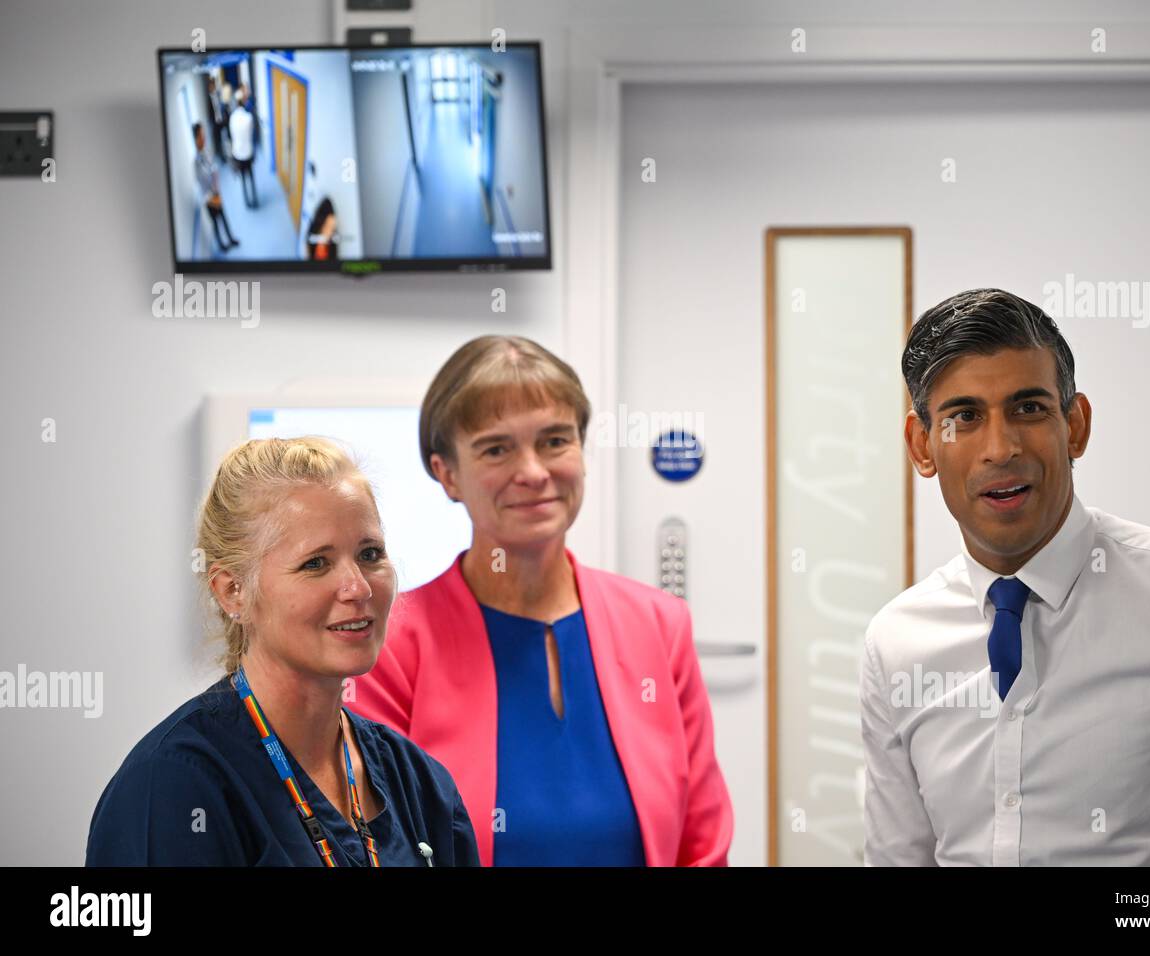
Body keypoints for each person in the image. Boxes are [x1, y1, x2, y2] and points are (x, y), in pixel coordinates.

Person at [858, 288, 1150, 866]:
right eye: (965, 416)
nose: (1001, 447)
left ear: (1075, 426)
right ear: (922, 445)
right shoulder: (897, 641)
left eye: (1029, 408)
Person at [350, 335, 734, 866]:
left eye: (555, 440)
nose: (533, 471)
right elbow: (379, 847)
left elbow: (702, 840)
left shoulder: (658, 625)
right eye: (496, 448)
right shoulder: (391, 642)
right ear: (447, 473)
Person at [86, 437, 479, 867]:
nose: (359, 587)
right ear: (233, 591)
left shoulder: (420, 784)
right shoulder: (174, 783)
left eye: (370, 554)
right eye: (316, 563)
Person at [192, 123, 239, 253]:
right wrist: (212, 198)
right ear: (196, 139)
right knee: (216, 223)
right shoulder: (196, 161)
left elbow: (213, 169)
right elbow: (201, 182)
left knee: (224, 217)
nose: (204, 137)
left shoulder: (206, 152)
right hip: (209, 198)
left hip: (216, 192)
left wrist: (217, 191)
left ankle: (231, 239)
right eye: (201, 135)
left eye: (203, 134)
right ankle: (222, 245)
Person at [228, 90, 257, 208]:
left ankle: (247, 202)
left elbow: (232, 135)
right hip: (248, 153)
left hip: (238, 155)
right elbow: (251, 134)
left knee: (243, 179)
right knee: (251, 176)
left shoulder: (232, 118)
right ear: (244, 102)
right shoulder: (249, 118)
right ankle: (254, 198)